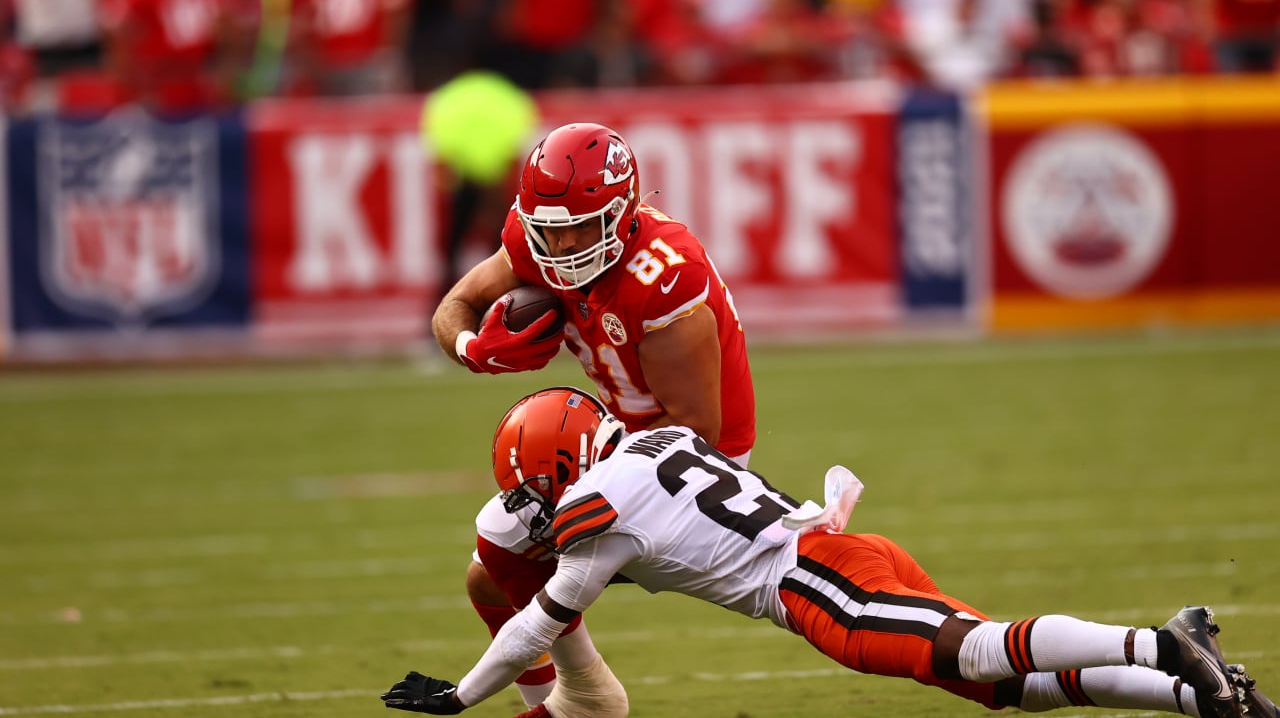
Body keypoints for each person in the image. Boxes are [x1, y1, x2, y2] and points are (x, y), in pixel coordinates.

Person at [381, 386, 1278, 718]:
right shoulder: (652, 445)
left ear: (560, 467)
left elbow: (542, 620)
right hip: (839, 552)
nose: (532, 507)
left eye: (535, 486)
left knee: (969, 649)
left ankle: (1160, 644)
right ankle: (1196, 691)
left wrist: (463, 696)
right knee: (1002, 685)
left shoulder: (597, 501)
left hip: (815, 581)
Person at [429, 122, 757, 711]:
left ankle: (584, 701)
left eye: (579, 228)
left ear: (623, 213)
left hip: (697, 465)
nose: (561, 249)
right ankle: (575, 697)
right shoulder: (536, 241)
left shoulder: (663, 272)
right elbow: (455, 306)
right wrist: (471, 350)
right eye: (549, 233)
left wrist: (587, 455)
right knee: (491, 571)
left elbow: (696, 433)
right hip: (623, 437)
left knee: (502, 543)